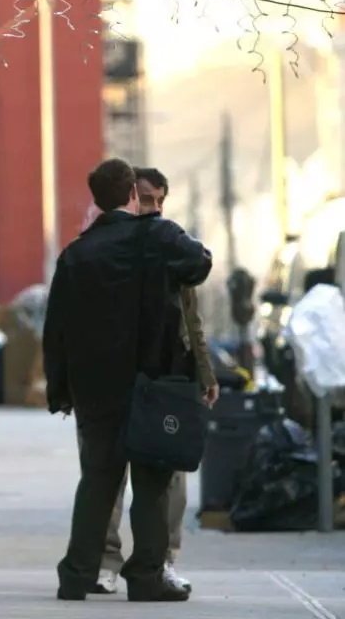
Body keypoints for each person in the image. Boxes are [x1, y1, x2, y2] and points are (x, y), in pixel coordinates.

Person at [44, 158, 212, 603]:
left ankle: (76, 575)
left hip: (96, 391)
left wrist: (60, 390)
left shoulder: (76, 254)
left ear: (97, 201)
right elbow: (199, 263)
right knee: (152, 484)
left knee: (98, 482)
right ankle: (147, 576)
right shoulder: (159, 236)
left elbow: (55, 329)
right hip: (154, 384)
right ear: (134, 197)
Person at [88, 166, 221, 596]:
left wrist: (204, 371)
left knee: (170, 478)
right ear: (129, 197)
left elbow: (191, 318)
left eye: (161, 200)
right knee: (109, 477)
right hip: (114, 379)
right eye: (147, 199)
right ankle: (105, 562)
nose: (155, 208)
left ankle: (162, 561)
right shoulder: (104, 247)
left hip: (166, 380)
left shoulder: (171, 246)